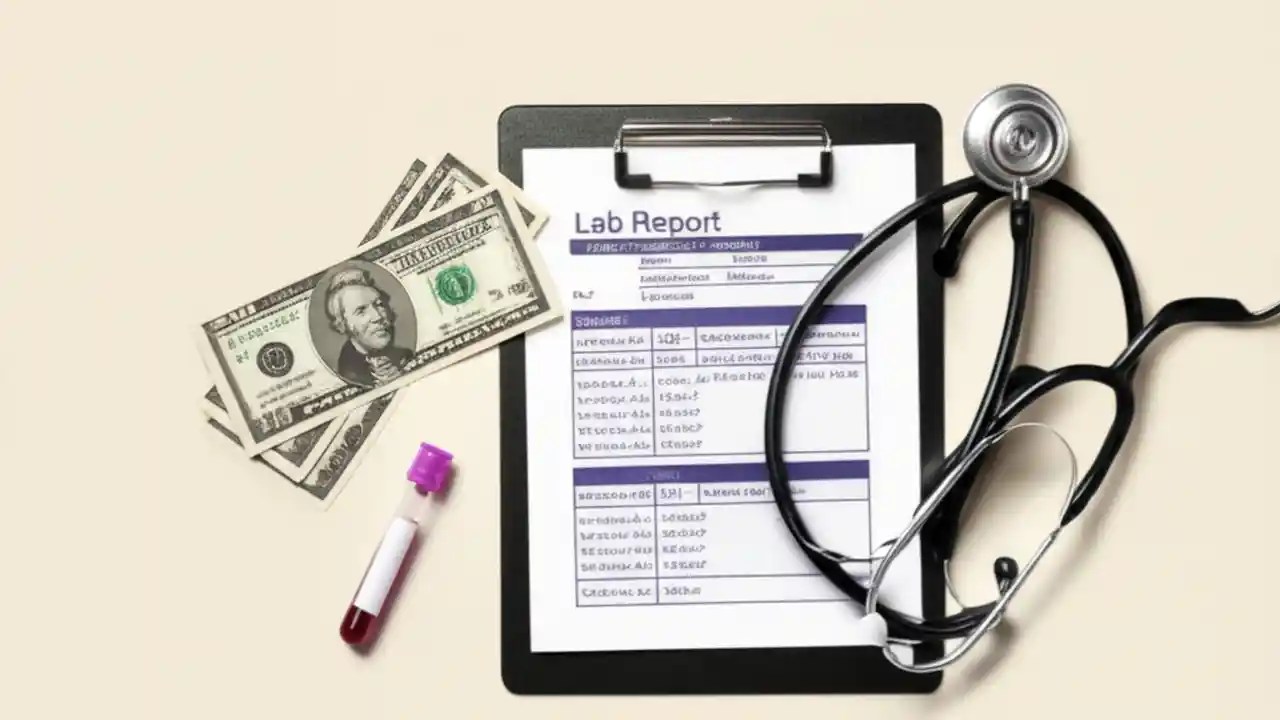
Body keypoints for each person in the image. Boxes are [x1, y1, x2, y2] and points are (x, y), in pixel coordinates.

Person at [322, 267, 412, 387]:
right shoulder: (349, 375)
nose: (377, 316)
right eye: (361, 311)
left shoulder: (406, 355)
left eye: (379, 305)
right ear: (342, 325)